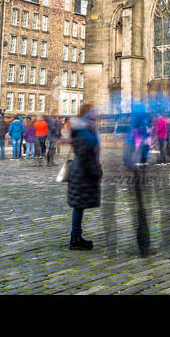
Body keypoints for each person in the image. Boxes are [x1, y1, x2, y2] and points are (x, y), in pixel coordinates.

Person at [67, 105, 102, 250]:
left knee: (79, 205)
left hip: (81, 170)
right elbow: (84, 154)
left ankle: (76, 236)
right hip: (82, 171)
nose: (96, 113)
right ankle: (75, 238)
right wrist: (96, 171)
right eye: (93, 111)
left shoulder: (86, 127)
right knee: (79, 205)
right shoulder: (83, 130)